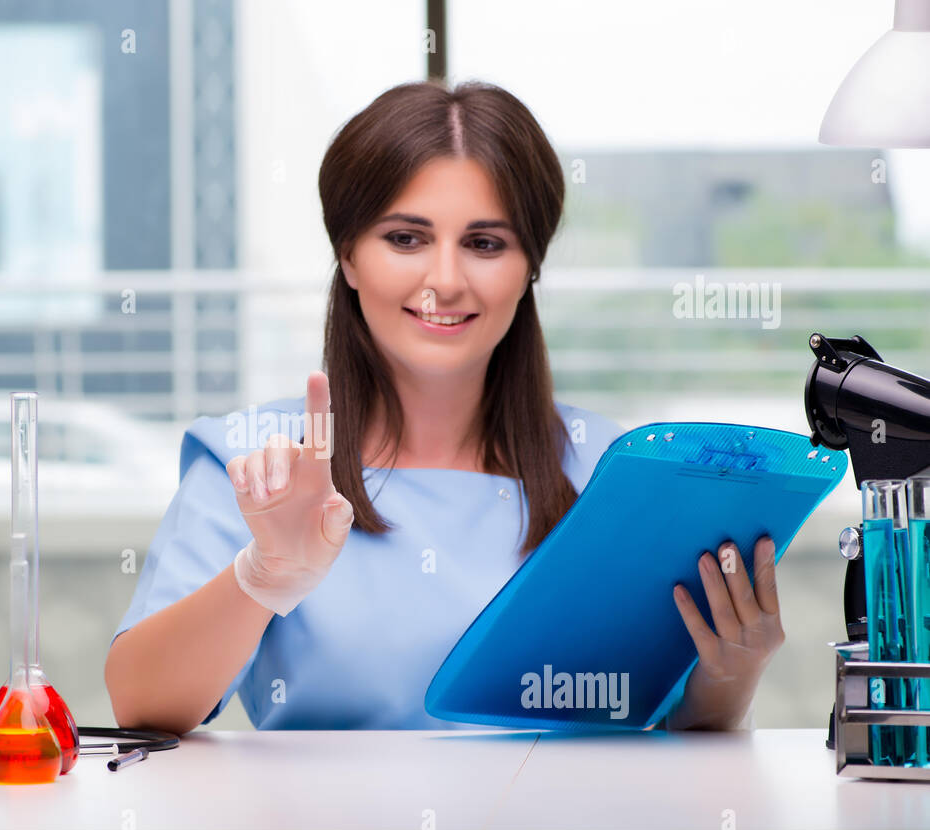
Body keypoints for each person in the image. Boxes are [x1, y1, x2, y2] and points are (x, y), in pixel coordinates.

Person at [105, 79, 783, 736]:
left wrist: (730, 673)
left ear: (530, 268)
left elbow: (664, 736)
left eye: (485, 244)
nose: (446, 281)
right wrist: (263, 576)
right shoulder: (256, 459)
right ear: (347, 255)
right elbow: (142, 702)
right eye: (405, 238)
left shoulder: (615, 472)